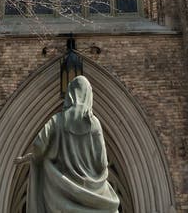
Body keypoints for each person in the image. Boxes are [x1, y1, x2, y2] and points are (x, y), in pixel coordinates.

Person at [15, 75, 119, 212]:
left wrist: (32, 157)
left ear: (70, 94)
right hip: (93, 200)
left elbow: (38, 146)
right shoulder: (94, 124)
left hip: (60, 195)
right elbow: (101, 163)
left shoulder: (56, 121)